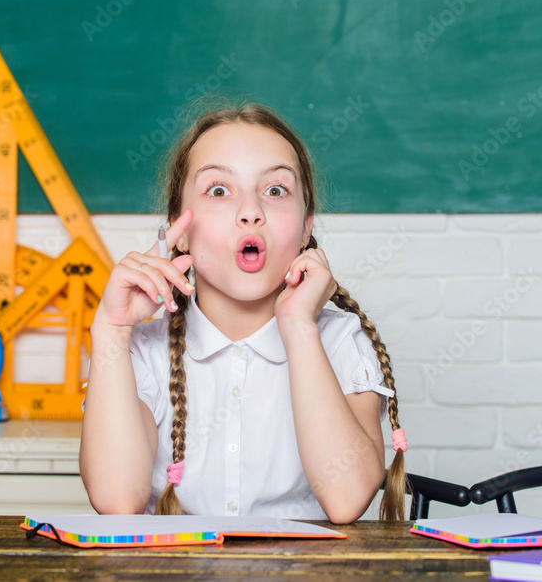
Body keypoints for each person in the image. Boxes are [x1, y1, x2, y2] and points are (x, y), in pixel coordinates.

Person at [80, 100, 407, 523]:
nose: (250, 211)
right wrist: (110, 328)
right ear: (179, 228)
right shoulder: (141, 353)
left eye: (275, 190)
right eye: (219, 190)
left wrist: (297, 325)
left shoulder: (341, 342)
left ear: (306, 227)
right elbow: (116, 499)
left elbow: (346, 499)